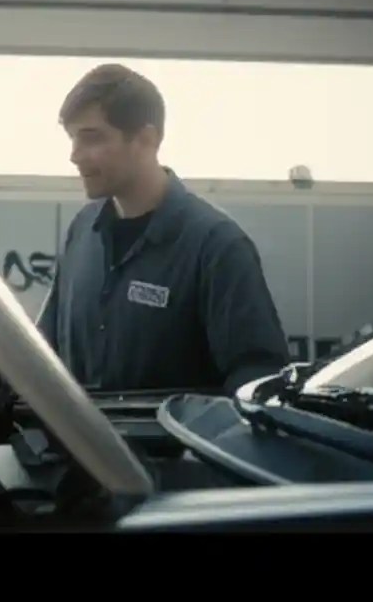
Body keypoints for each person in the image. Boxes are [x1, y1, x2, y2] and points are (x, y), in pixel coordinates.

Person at [35, 63, 291, 395]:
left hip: (172, 448)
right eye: (72, 139)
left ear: (146, 139)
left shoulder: (216, 247)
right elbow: (45, 349)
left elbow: (257, 379)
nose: (74, 155)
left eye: (91, 138)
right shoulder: (82, 232)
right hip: (77, 447)